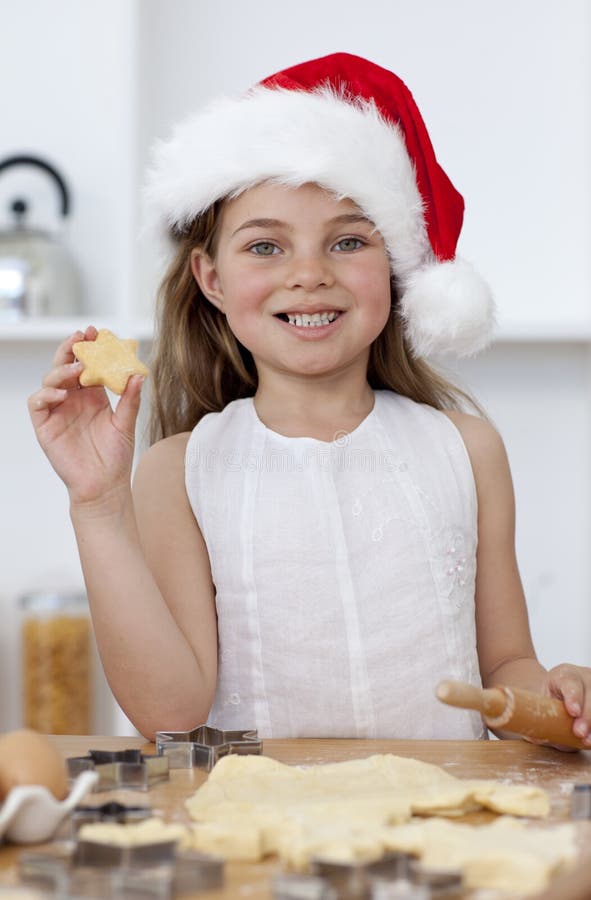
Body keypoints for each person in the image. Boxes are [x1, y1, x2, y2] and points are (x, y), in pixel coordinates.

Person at [29, 53, 591, 743]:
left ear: (395, 265)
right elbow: (170, 713)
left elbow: (506, 664)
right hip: (256, 837)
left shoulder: (466, 450)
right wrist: (99, 506)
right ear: (210, 278)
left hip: (440, 826)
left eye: (347, 241)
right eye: (265, 246)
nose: (307, 276)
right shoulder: (181, 470)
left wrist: (557, 694)